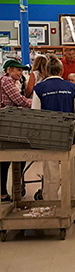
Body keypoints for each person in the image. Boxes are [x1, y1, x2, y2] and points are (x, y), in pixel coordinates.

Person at [32, 56, 75, 200]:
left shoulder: (39, 88)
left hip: (48, 137)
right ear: (61, 71)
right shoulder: (71, 88)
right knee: (71, 171)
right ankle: (71, 201)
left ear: (47, 71)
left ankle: (51, 203)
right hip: (69, 136)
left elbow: (35, 114)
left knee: (50, 173)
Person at [0, 57, 31, 201]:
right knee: (9, 157)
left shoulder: (14, 82)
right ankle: (6, 191)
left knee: (11, 158)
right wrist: (36, 102)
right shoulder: (6, 81)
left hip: (10, 122)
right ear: (9, 70)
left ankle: (12, 189)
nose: (21, 73)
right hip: (6, 124)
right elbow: (18, 100)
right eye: (18, 70)